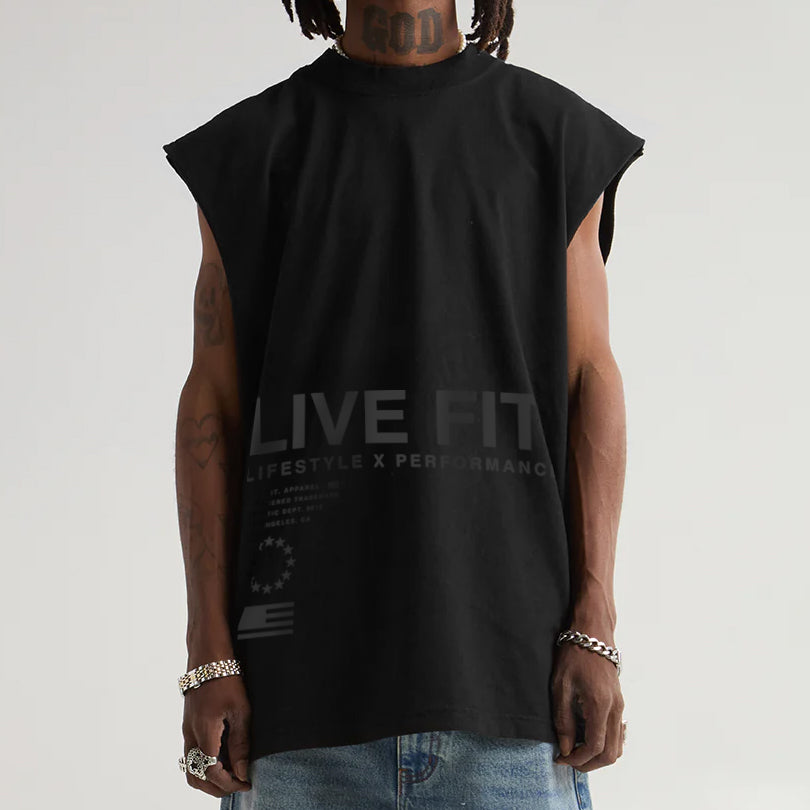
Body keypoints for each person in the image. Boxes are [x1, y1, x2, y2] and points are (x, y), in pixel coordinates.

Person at [165, 1, 645, 807]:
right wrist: (207, 651)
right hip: (294, 707)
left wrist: (595, 625)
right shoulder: (253, 149)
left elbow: (589, 379)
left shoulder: (554, 137)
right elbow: (213, 400)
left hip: (515, 696)